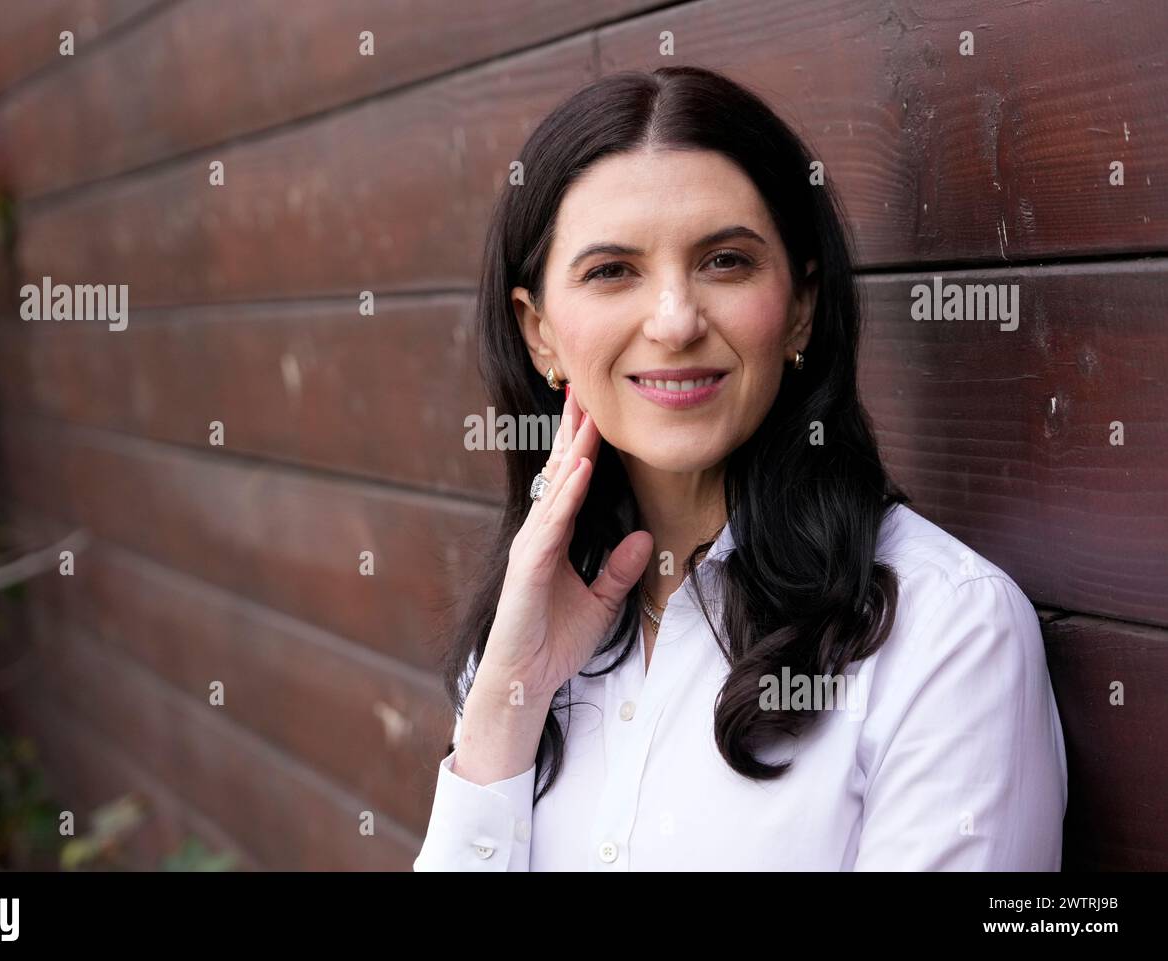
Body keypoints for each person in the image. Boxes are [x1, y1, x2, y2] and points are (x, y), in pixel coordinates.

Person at [413, 65, 1066, 871]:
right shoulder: (524, 633)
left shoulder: (948, 633)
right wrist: (503, 703)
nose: (676, 320)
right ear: (539, 333)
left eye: (725, 261)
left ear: (799, 306)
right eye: (612, 270)